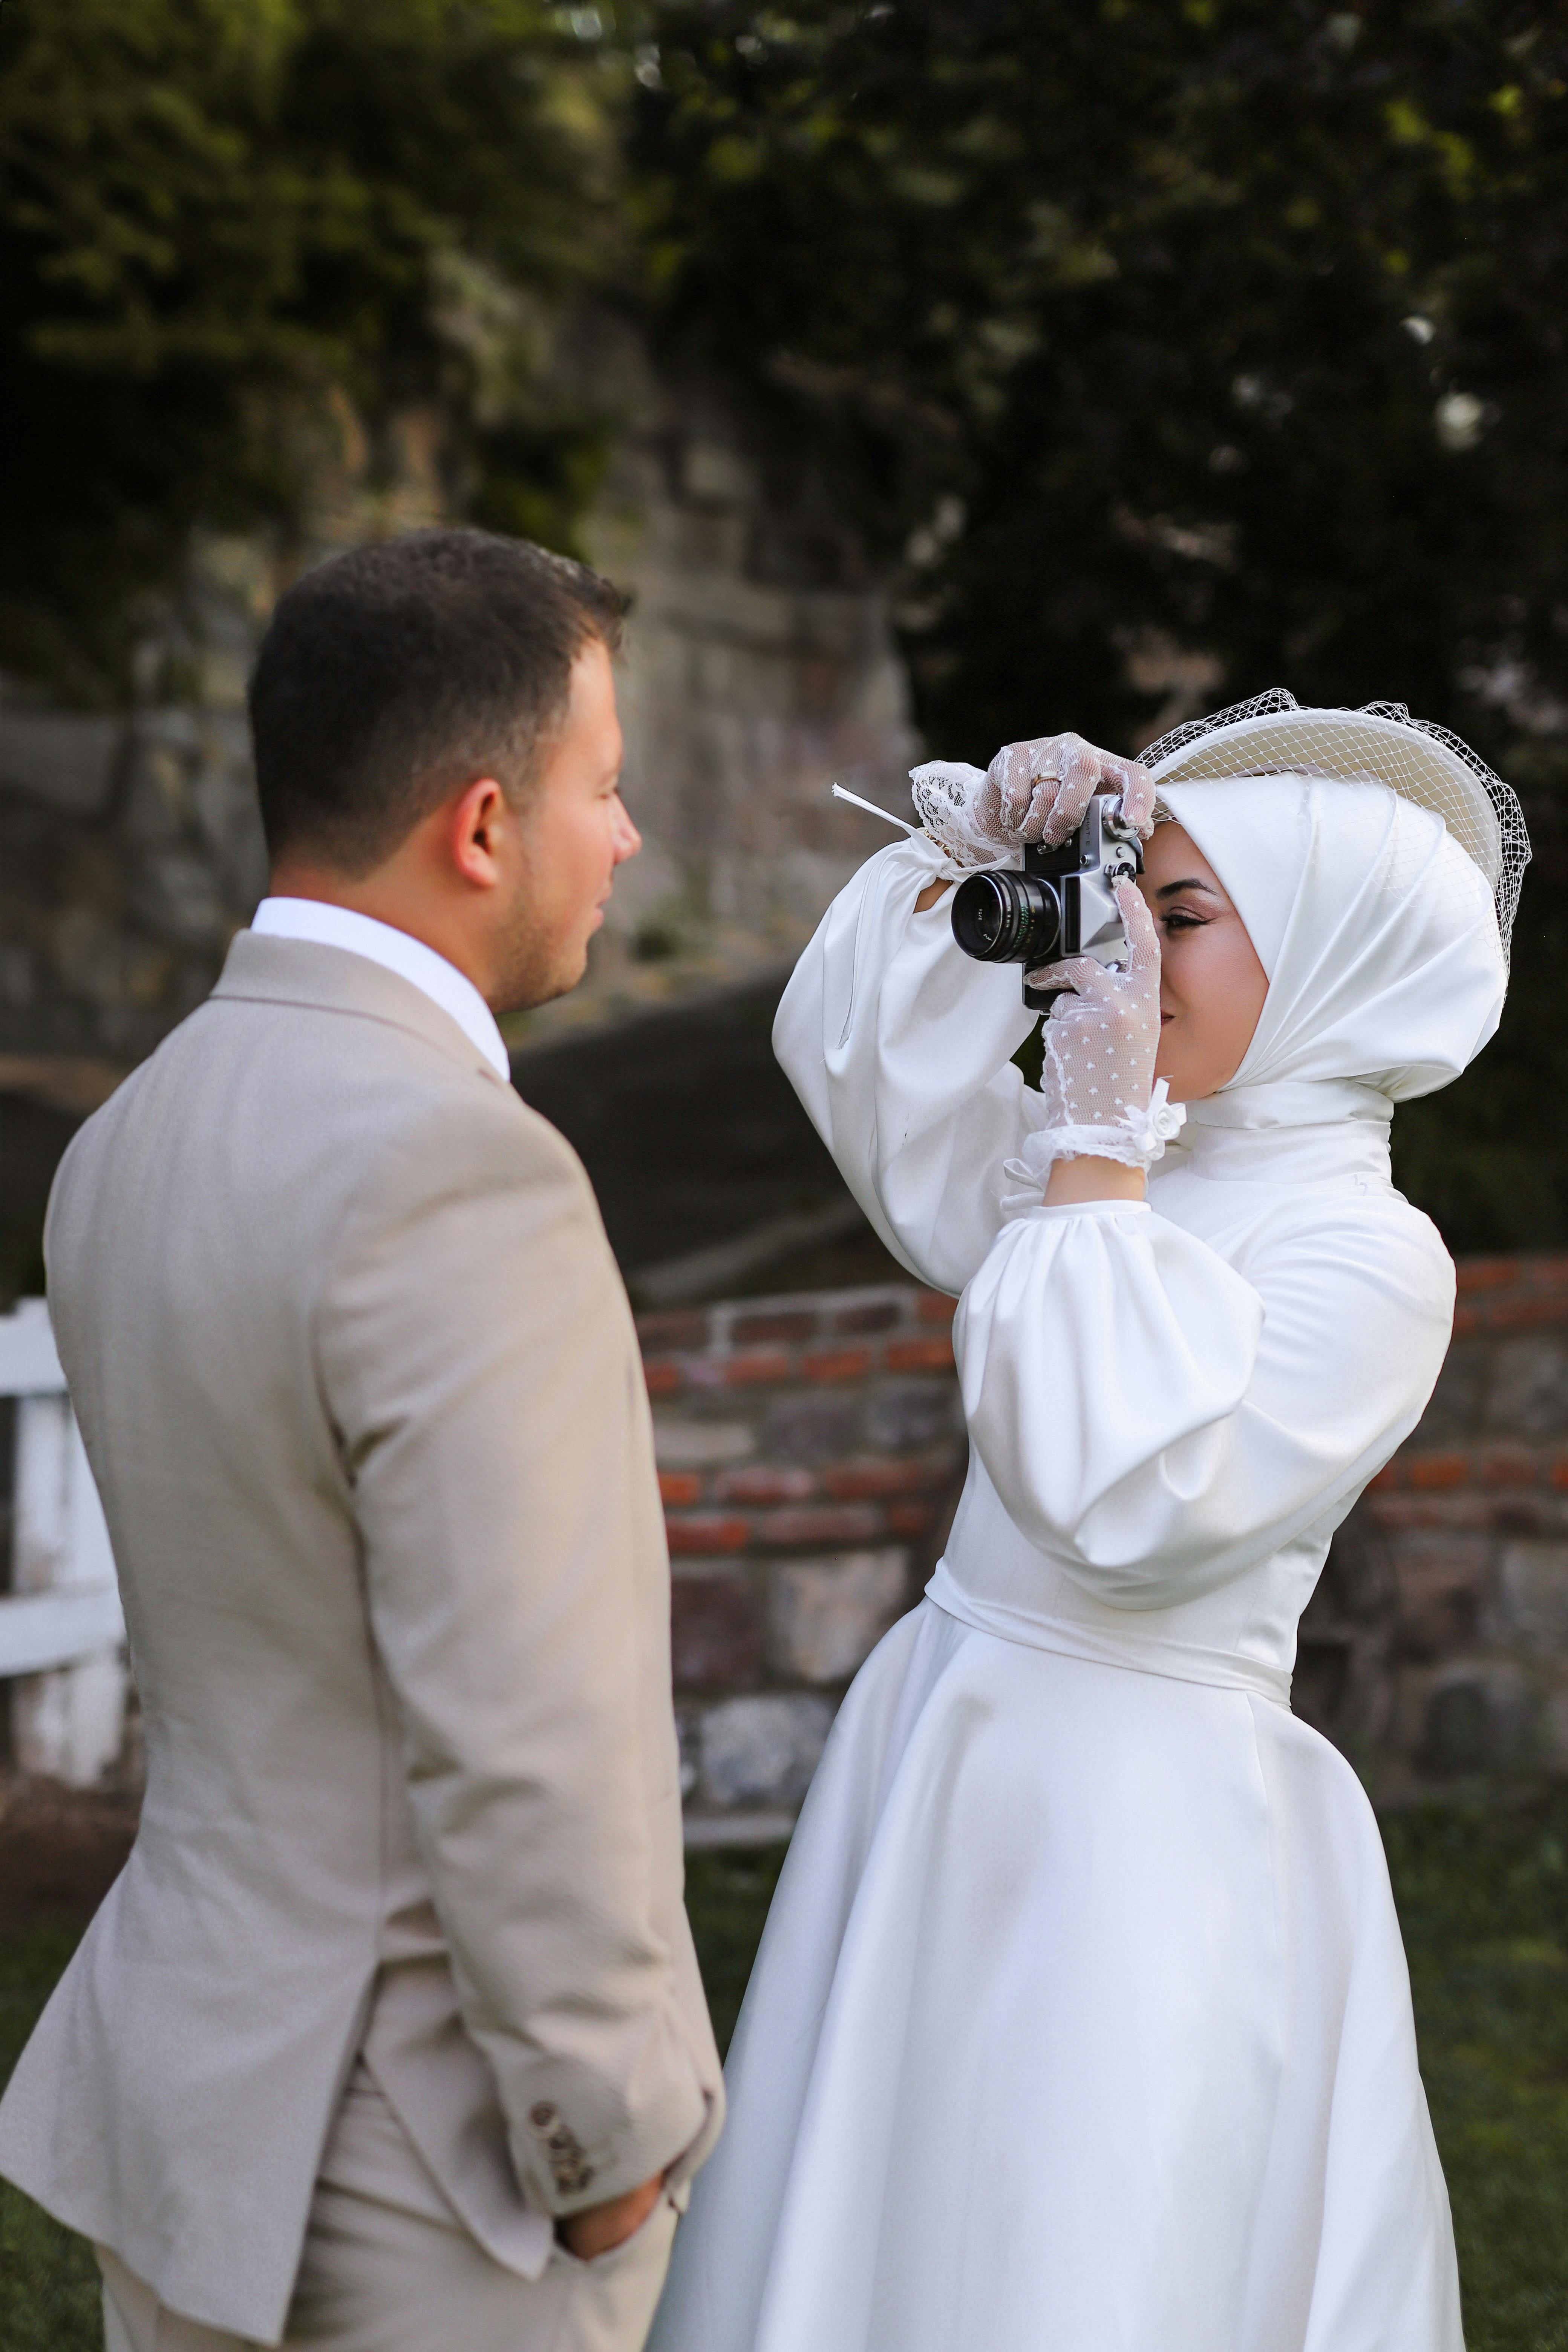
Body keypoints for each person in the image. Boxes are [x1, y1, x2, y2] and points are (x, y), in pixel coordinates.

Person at [647, 692, 1525, 2352]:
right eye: (1131, 904)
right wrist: (971, 855)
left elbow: (1112, 1494)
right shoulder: (1127, 1146)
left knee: (1060, 2240)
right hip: (954, 1736)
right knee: (878, 2222)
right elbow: (865, 1081)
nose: (1122, 951)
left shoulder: (1365, 1249)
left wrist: (1097, 1147)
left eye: (1179, 917)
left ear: (1328, 952)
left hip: (1135, 1821)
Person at [0, 529, 724, 2352]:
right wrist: (609, 2144)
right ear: (482, 827)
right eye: (605, 790)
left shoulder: (128, 1141)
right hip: (421, 2159)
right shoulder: (458, 1167)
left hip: (182, 2100)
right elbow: (524, 1727)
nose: (622, 842)